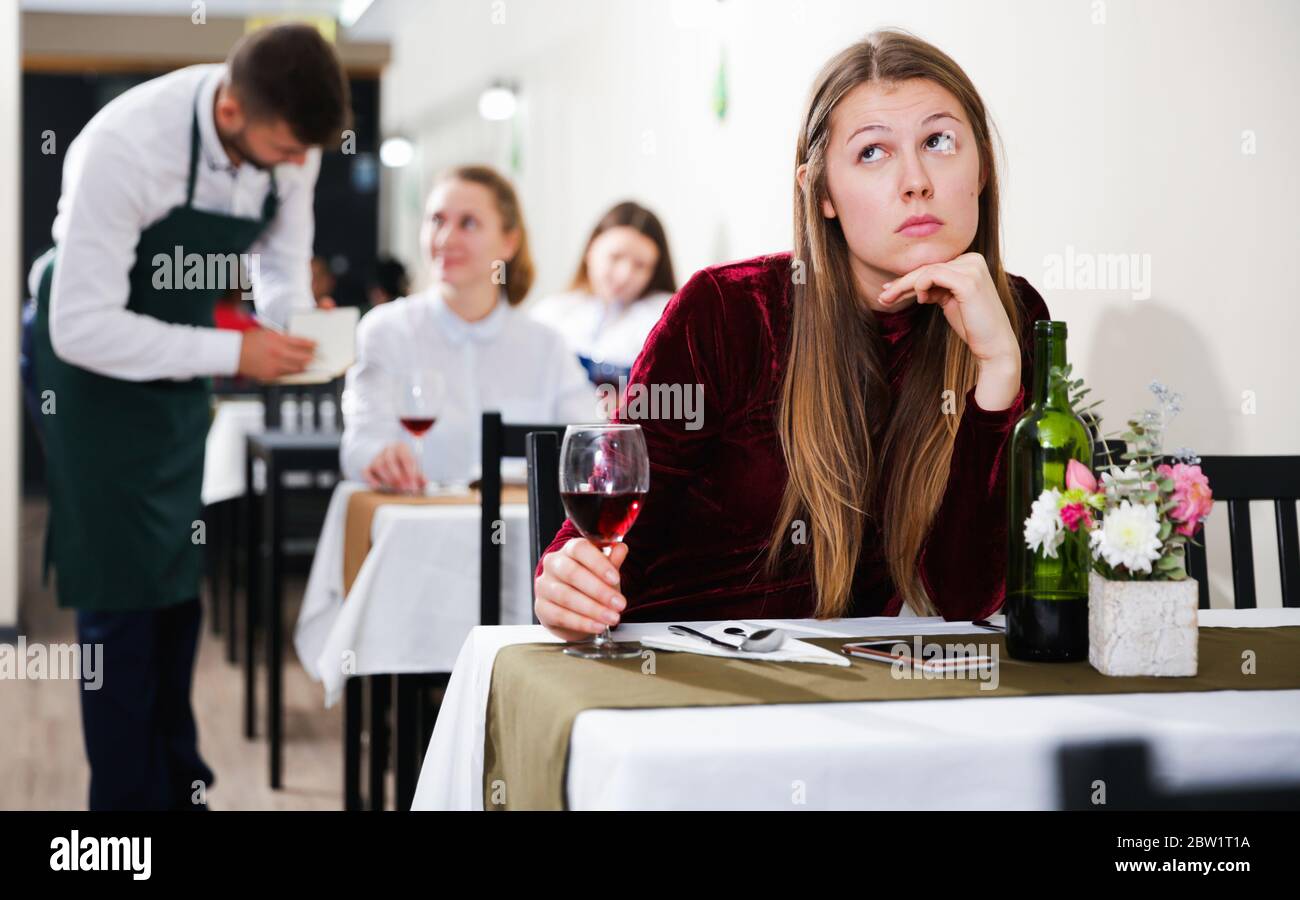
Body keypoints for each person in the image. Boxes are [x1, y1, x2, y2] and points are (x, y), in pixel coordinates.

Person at [534, 29, 1052, 640]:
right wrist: (567, 579)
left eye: (938, 141)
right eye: (872, 153)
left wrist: (996, 369)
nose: (915, 181)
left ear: (983, 167)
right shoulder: (728, 309)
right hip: (679, 677)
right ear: (821, 192)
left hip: (850, 697)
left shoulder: (1010, 313)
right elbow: (598, 536)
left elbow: (966, 595)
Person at [29, 23, 349, 809]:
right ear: (233, 111)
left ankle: (180, 785)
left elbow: (279, 262)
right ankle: (124, 813)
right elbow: (81, 326)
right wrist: (235, 353)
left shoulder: (291, 140)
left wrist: (292, 329)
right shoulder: (127, 146)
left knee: (177, 581)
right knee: (121, 595)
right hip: (90, 376)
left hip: (177, 365)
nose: (294, 165)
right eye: (282, 149)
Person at [340, 166, 595, 491]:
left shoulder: (546, 345)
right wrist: (378, 458)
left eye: (468, 223)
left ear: (509, 242)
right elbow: (358, 446)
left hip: (519, 533)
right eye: (437, 221)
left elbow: (589, 446)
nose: (446, 239)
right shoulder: (387, 330)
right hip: (416, 526)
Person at [528, 201, 676, 386]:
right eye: (615, 257)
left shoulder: (665, 322)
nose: (624, 275)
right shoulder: (551, 314)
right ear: (590, 250)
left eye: (640, 265)